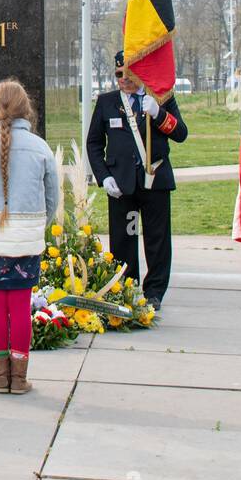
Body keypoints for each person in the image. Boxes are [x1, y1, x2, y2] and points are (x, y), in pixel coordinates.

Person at [0, 79, 59, 396]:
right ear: (26, 110)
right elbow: (51, 199)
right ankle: (19, 379)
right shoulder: (41, 148)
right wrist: (36, 224)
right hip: (26, 238)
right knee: (19, 308)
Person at [87, 50, 188, 311]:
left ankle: (154, 291)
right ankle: (126, 287)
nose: (123, 80)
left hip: (155, 181)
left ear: (140, 73)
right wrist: (104, 176)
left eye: (128, 74)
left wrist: (159, 114)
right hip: (121, 185)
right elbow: (94, 143)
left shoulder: (161, 98)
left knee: (157, 239)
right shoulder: (107, 102)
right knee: (123, 239)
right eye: (118, 74)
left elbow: (180, 134)